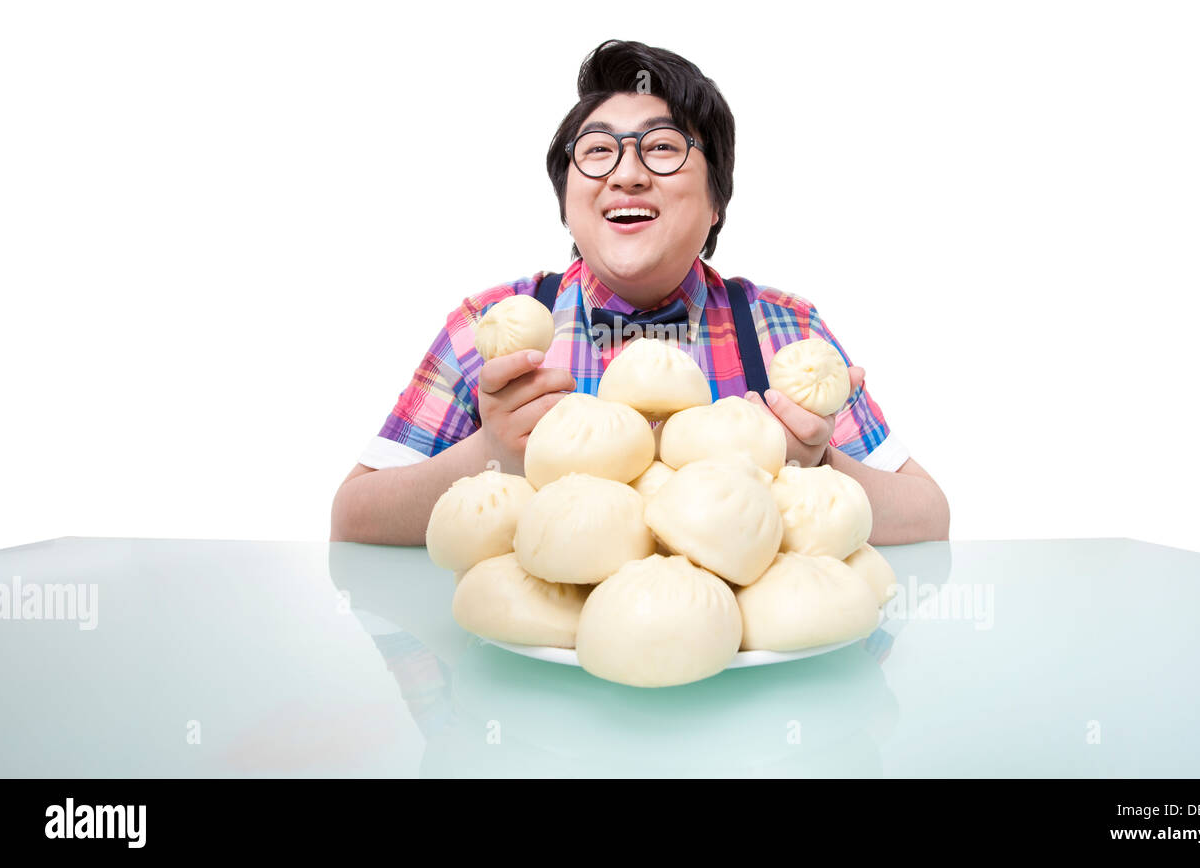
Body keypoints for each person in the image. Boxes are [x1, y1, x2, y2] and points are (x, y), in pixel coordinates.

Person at [330, 40, 949, 547]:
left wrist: (813, 466)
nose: (626, 174)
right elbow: (354, 518)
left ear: (715, 203)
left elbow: (926, 515)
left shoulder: (785, 332)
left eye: (661, 148)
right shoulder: (489, 329)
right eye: (597, 151)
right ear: (567, 205)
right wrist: (492, 453)